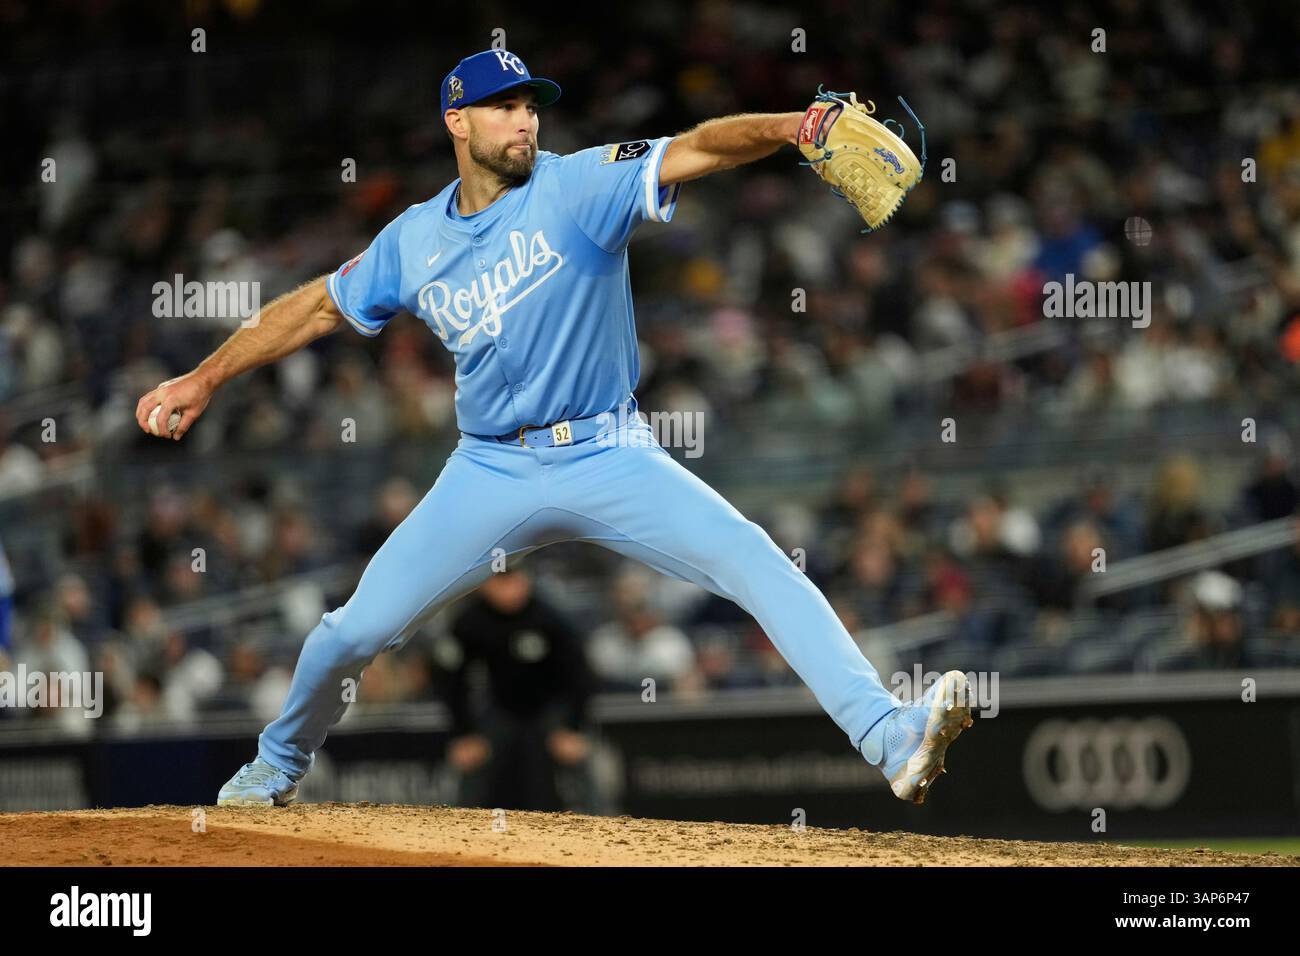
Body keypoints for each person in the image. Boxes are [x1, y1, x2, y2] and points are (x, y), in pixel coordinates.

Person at [133, 48, 973, 808]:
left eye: (531, 103)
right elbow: (317, 305)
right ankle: (275, 767)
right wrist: (205, 376)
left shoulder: (578, 186)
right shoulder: (414, 240)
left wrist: (799, 125)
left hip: (609, 452)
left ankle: (888, 735)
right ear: (457, 121)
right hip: (488, 471)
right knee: (350, 631)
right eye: (503, 105)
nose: (524, 118)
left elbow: (701, 147)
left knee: (756, 559)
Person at [441, 568, 593, 812]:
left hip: (549, 709)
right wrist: (463, 733)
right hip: (499, 708)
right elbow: (452, 681)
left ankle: (599, 833)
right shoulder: (469, 622)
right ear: (484, 585)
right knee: (472, 766)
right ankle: (460, 832)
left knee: (576, 766)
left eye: (514, 581)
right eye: (500, 583)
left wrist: (573, 727)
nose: (509, 590)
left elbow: (580, 676)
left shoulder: (549, 617)